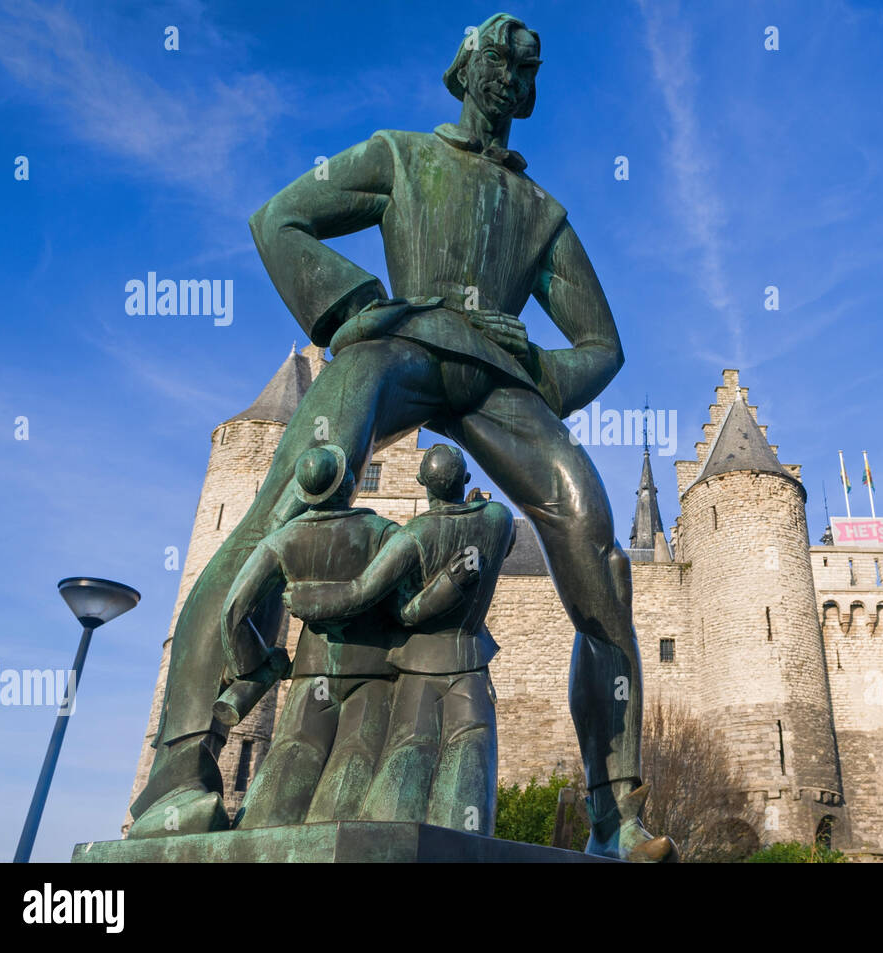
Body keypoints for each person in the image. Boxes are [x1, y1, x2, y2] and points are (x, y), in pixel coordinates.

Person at [129, 13, 674, 862]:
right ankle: (177, 776)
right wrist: (359, 310)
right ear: (464, 73)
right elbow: (279, 220)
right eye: (494, 61)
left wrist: (534, 359)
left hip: (497, 379)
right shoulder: (399, 156)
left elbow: (604, 345)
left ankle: (617, 807)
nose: (508, 79)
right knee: (293, 492)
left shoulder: (540, 211)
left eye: (522, 70)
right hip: (399, 350)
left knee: (595, 542)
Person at [281, 445, 513, 833]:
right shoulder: (499, 519)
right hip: (471, 666)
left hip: (418, 672)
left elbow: (359, 593)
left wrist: (308, 599)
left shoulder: (414, 535)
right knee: (471, 762)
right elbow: (504, 543)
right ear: (466, 481)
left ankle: (378, 845)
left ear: (422, 484)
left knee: (407, 761)